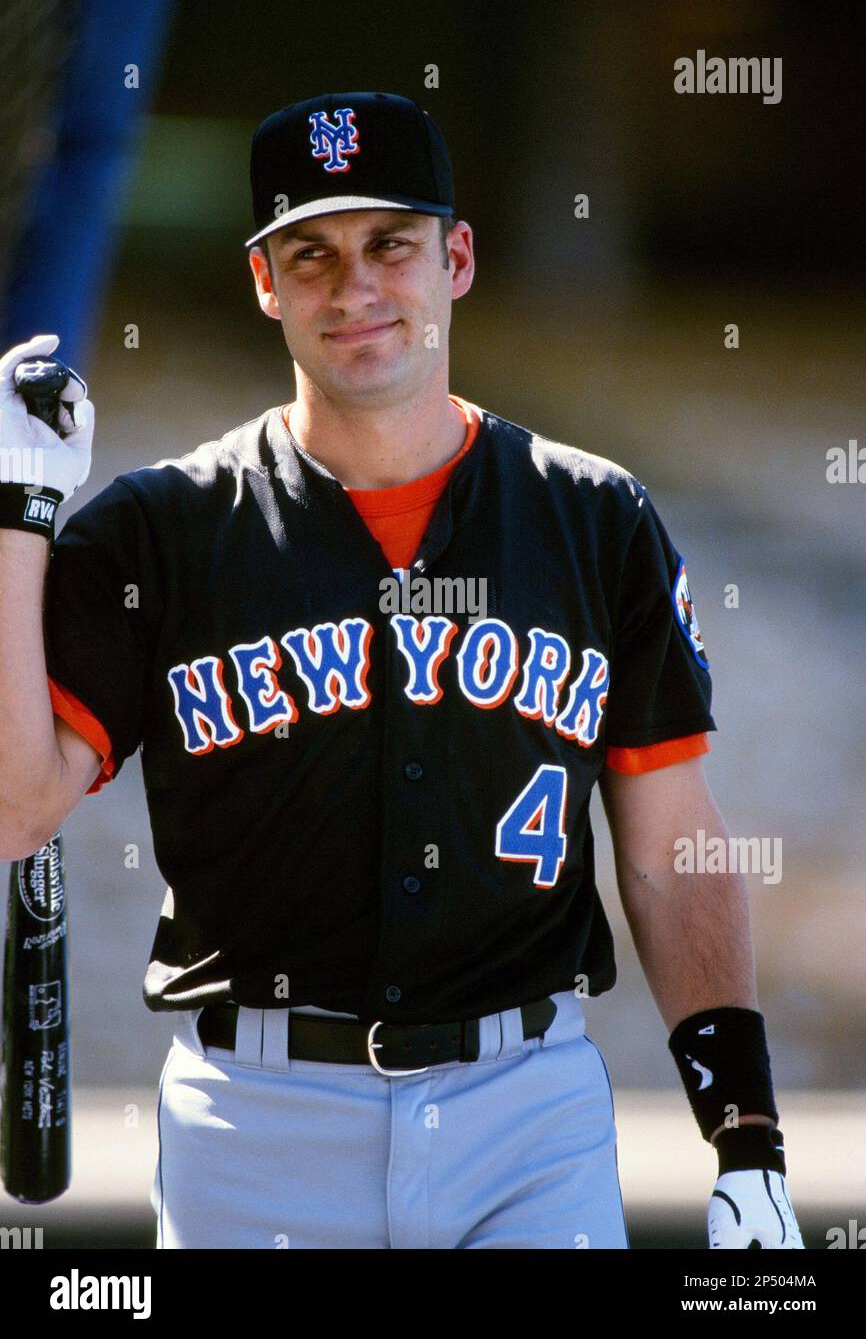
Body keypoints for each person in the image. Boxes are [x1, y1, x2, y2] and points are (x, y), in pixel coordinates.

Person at [0, 91, 804, 1250]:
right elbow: (17, 806)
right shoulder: (158, 530)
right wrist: (19, 517)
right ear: (264, 282)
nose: (354, 288)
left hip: (526, 1114)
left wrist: (745, 1140)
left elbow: (672, 847)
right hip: (256, 1125)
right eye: (310, 255)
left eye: (389, 244)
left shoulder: (593, 518)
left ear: (455, 259)